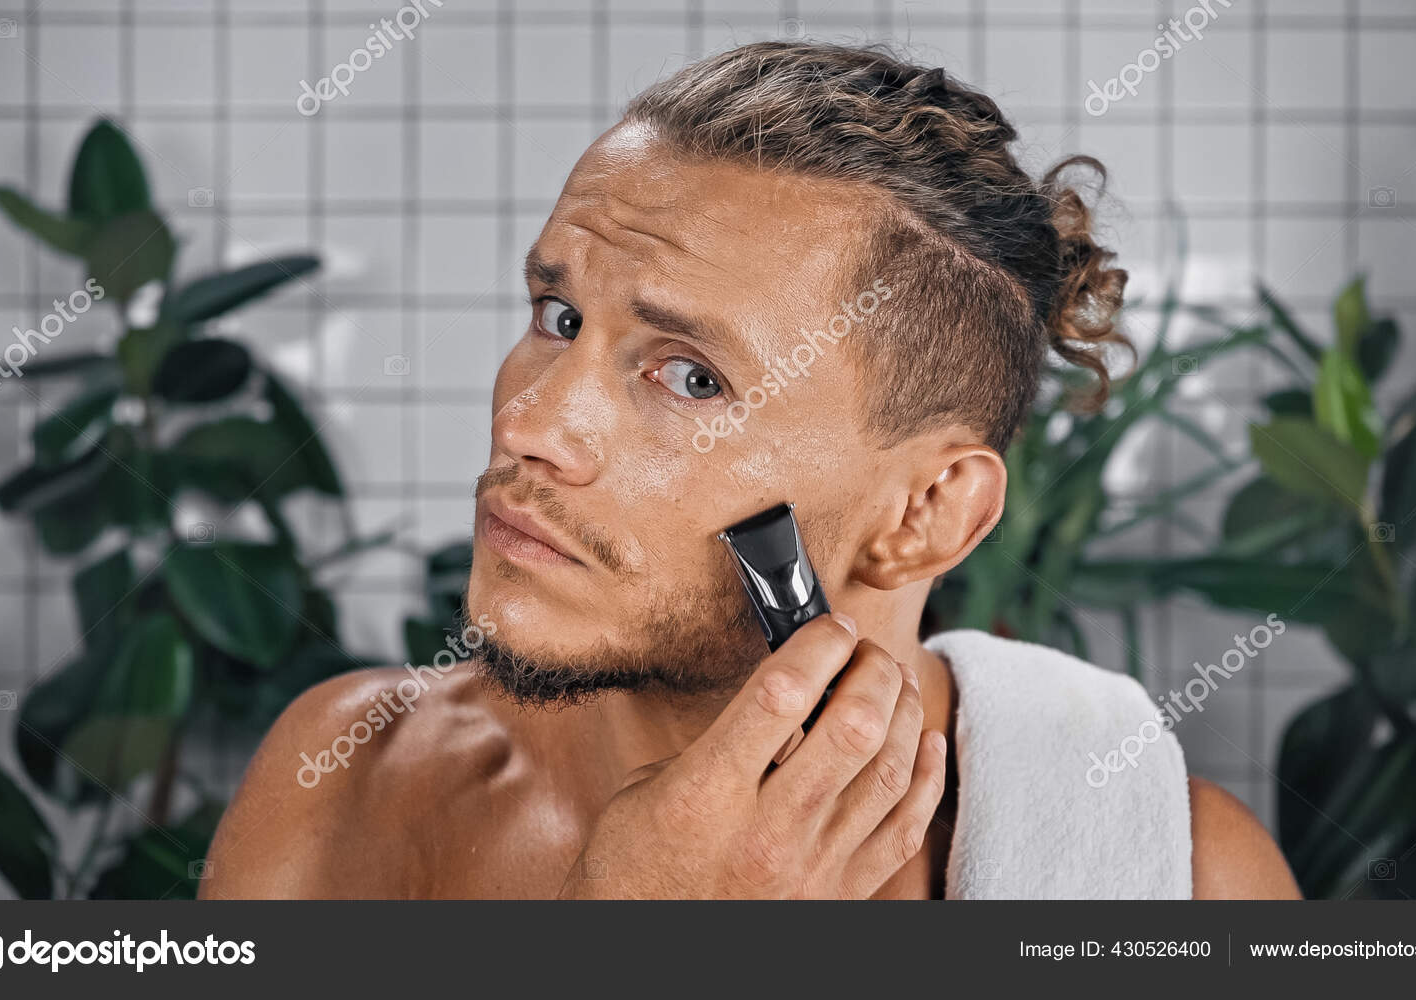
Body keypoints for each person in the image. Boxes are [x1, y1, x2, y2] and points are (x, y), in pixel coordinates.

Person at [202, 41, 1299, 900]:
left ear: (927, 511)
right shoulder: (348, 785)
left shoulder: (1176, 881)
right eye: (558, 314)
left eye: (689, 379)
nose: (532, 423)